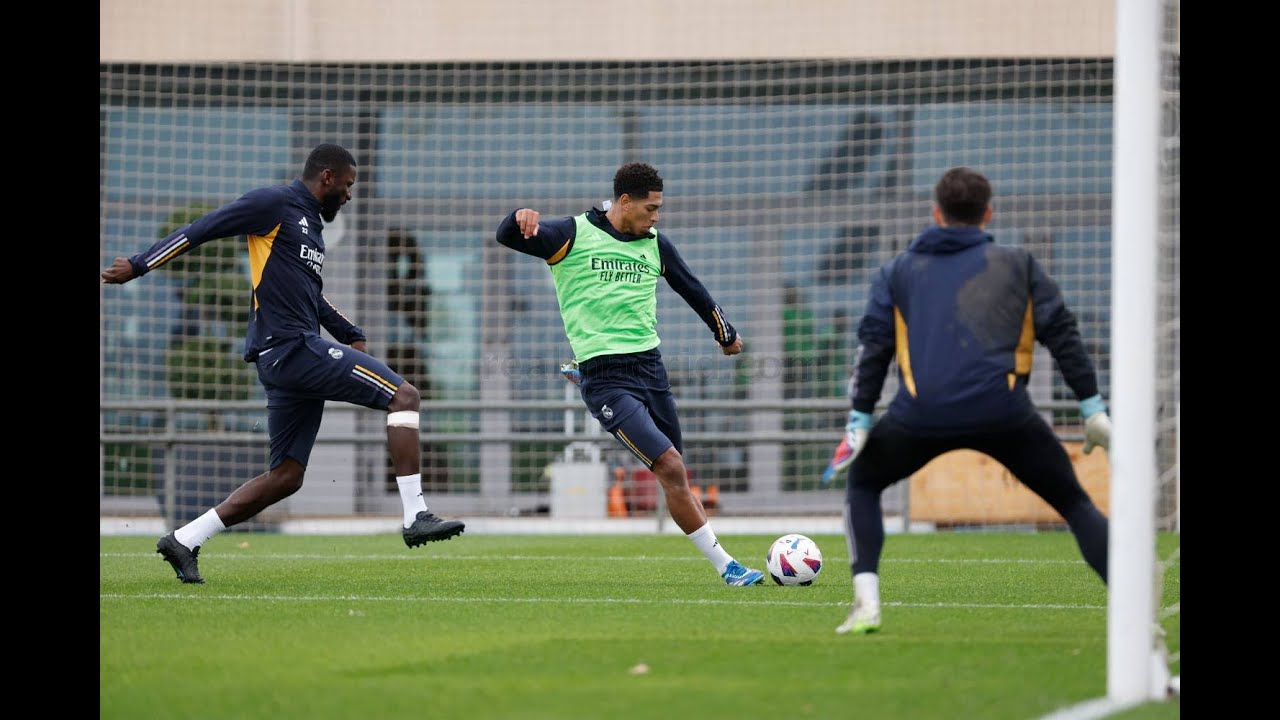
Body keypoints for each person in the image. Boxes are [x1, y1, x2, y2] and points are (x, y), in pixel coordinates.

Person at [102, 143, 465, 584]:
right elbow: (201, 229)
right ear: (327, 177)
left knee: (287, 476)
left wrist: (348, 331)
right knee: (404, 396)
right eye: (348, 184)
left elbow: (311, 297)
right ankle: (415, 515)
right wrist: (138, 265)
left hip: (288, 358)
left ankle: (184, 539)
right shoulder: (272, 203)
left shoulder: (312, 226)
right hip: (292, 349)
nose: (350, 195)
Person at [821, 166, 1112, 634]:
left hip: (921, 416)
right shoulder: (1019, 265)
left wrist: (859, 419)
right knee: (1075, 504)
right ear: (987, 214)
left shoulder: (897, 272)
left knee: (865, 482)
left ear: (936, 213)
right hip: (1005, 413)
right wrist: (1091, 407)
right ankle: (1136, 611)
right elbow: (1064, 337)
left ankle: (867, 603)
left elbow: (874, 348)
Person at [494, 161, 765, 586]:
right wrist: (518, 218)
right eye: (650, 208)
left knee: (676, 474)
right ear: (624, 201)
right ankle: (728, 567)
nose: (656, 217)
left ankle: (725, 561)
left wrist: (725, 333)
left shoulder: (655, 245)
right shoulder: (572, 234)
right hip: (607, 379)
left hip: (650, 369)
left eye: (659, 209)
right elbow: (507, 236)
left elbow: (693, 289)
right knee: (670, 466)